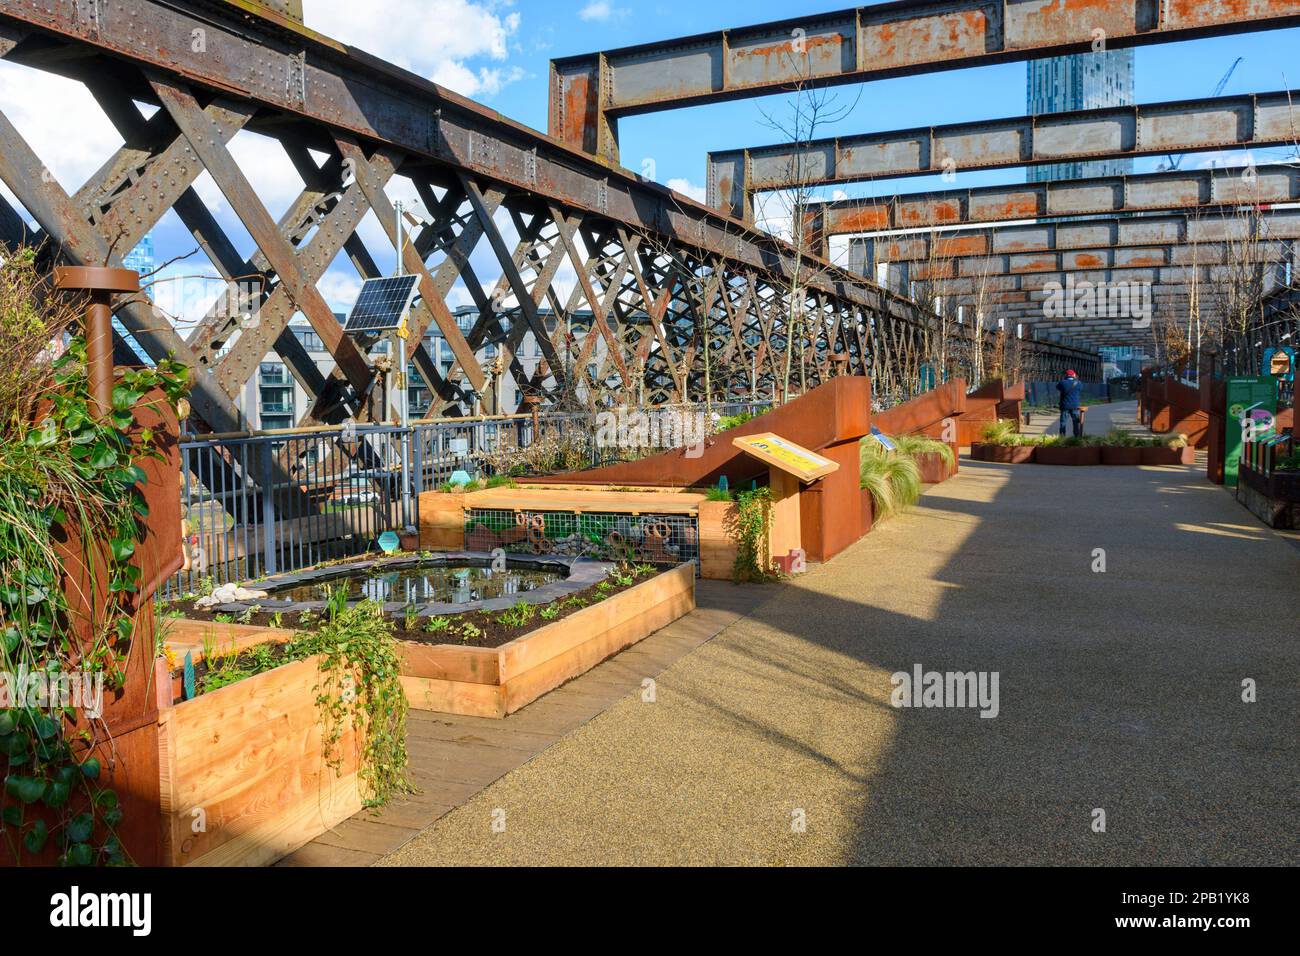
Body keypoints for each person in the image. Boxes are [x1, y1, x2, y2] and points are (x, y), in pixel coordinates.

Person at [1057, 369, 1083, 437]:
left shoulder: (1062, 382)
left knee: (1063, 422)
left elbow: (1058, 388)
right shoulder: (1078, 383)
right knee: (1075, 422)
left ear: (1066, 375)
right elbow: (1080, 390)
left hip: (1065, 406)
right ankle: (1076, 437)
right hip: (1075, 406)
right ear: (1074, 375)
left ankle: (1062, 437)